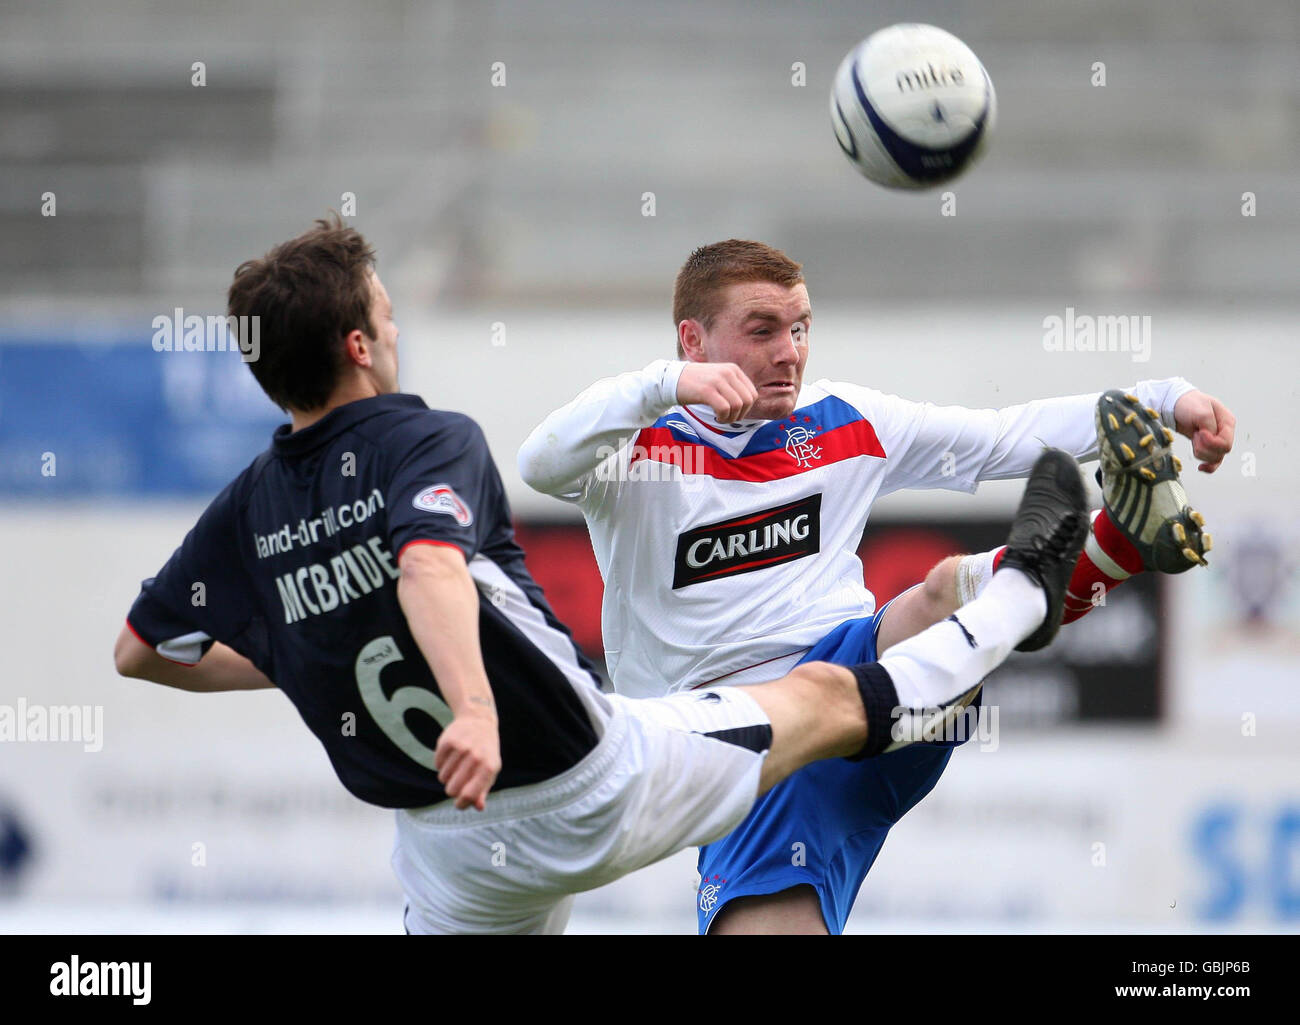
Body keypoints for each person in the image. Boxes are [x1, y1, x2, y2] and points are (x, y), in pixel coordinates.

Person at [111, 216, 1090, 934]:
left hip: (447, 846)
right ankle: (1017, 591)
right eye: (387, 312)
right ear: (359, 345)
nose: (399, 328)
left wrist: (293, 650)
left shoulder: (249, 504)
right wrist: (474, 708)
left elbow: (140, 649)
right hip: (582, 772)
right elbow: (426, 566)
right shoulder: (421, 437)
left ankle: (990, 586)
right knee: (829, 697)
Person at [517, 238, 1237, 934]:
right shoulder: (638, 448)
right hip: (729, 748)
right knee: (935, 602)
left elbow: (1001, 434)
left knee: (930, 599)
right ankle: (1091, 556)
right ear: (693, 341)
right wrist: (663, 386)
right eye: (762, 329)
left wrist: (1161, 400)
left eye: (800, 328)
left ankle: (1051, 563)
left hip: (871, 686)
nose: (789, 351)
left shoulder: (845, 420)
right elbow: (539, 461)